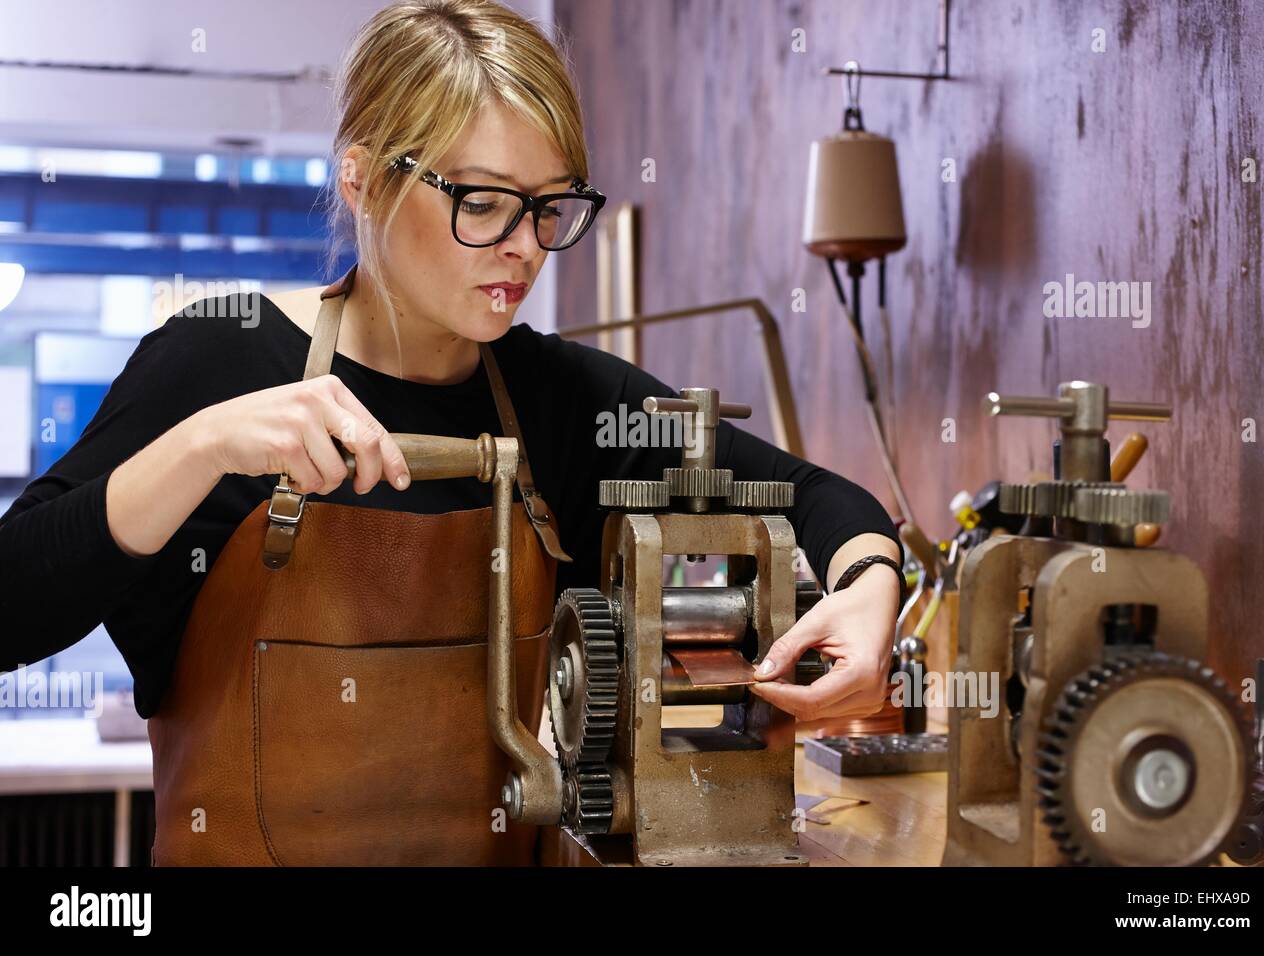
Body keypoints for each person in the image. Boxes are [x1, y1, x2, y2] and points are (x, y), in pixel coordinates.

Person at [0, 0, 901, 865]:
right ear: (360, 179)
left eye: (550, 206)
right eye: (482, 201)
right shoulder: (218, 361)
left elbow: (812, 496)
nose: (526, 247)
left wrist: (867, 580)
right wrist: (197, 450)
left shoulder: (559, 399)